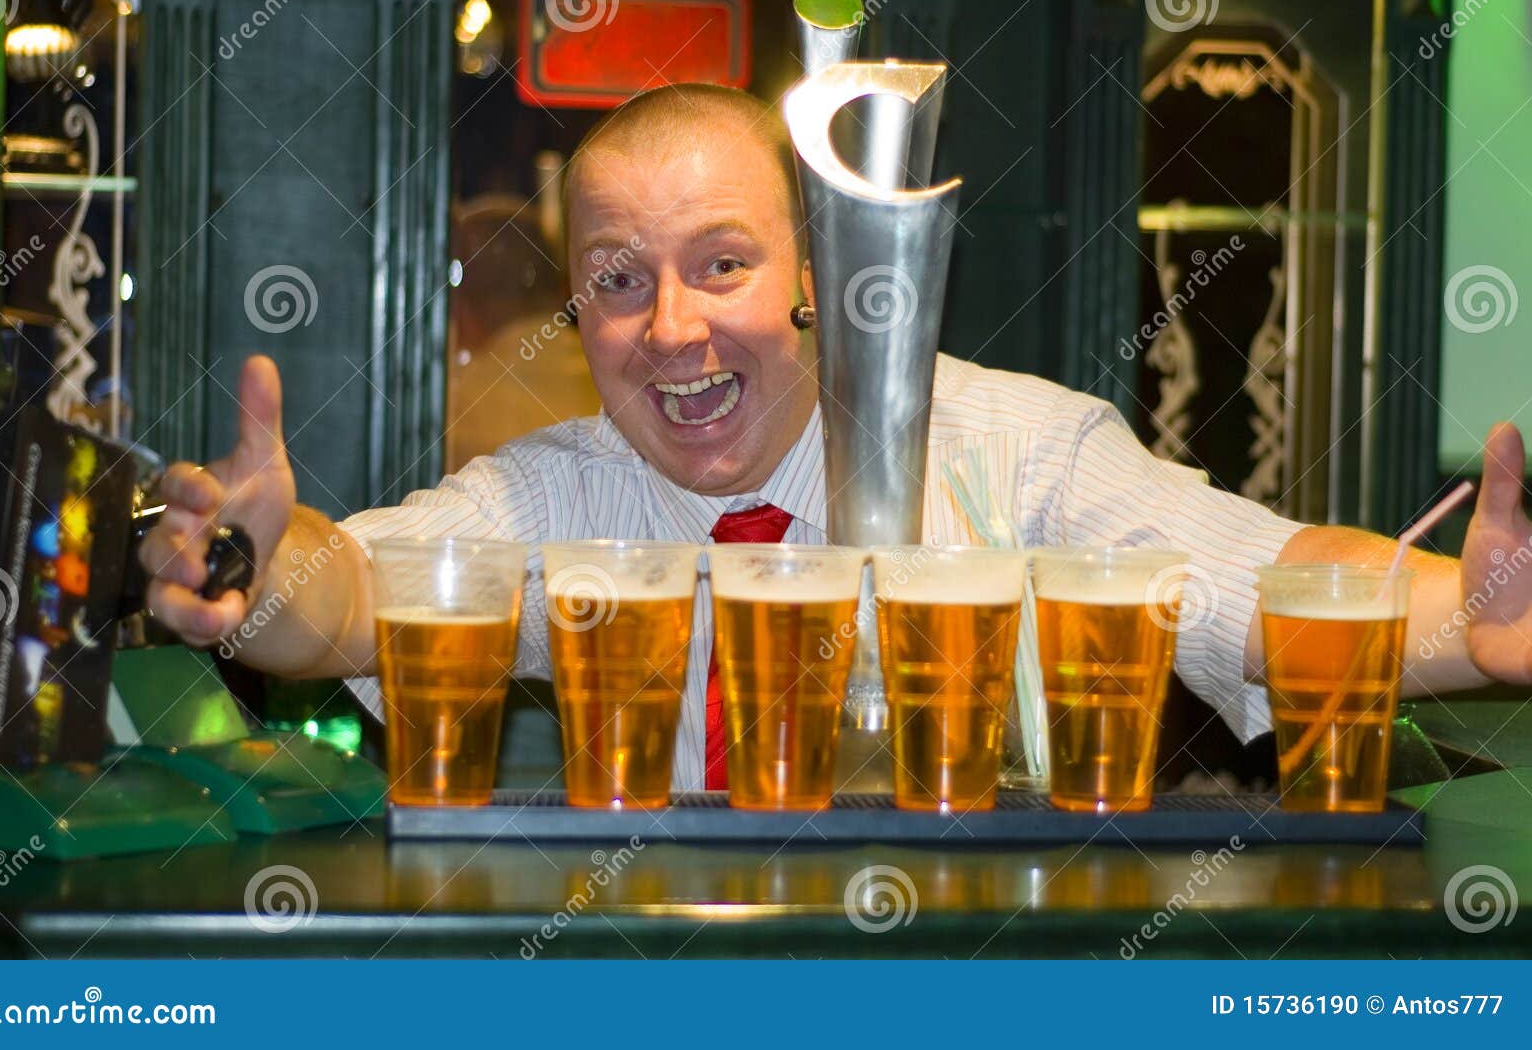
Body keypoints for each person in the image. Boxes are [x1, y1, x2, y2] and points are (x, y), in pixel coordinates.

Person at [140, 83, 1532, 791]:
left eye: (722, 264)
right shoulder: (553, 498)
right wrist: (251, 571)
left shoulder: (1018, 449)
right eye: (619, 279)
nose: (672, 328)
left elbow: (1276, 588)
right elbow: (346, 599)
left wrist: (1475, 621)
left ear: (810, 272)